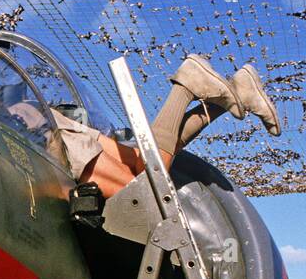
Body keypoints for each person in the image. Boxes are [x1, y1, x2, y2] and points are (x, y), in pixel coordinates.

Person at [55, 55, 281, 199]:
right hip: (49, 122)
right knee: (139, 161)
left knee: (142, 193)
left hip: (44, 133)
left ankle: (185, 87)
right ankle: (238, 93)